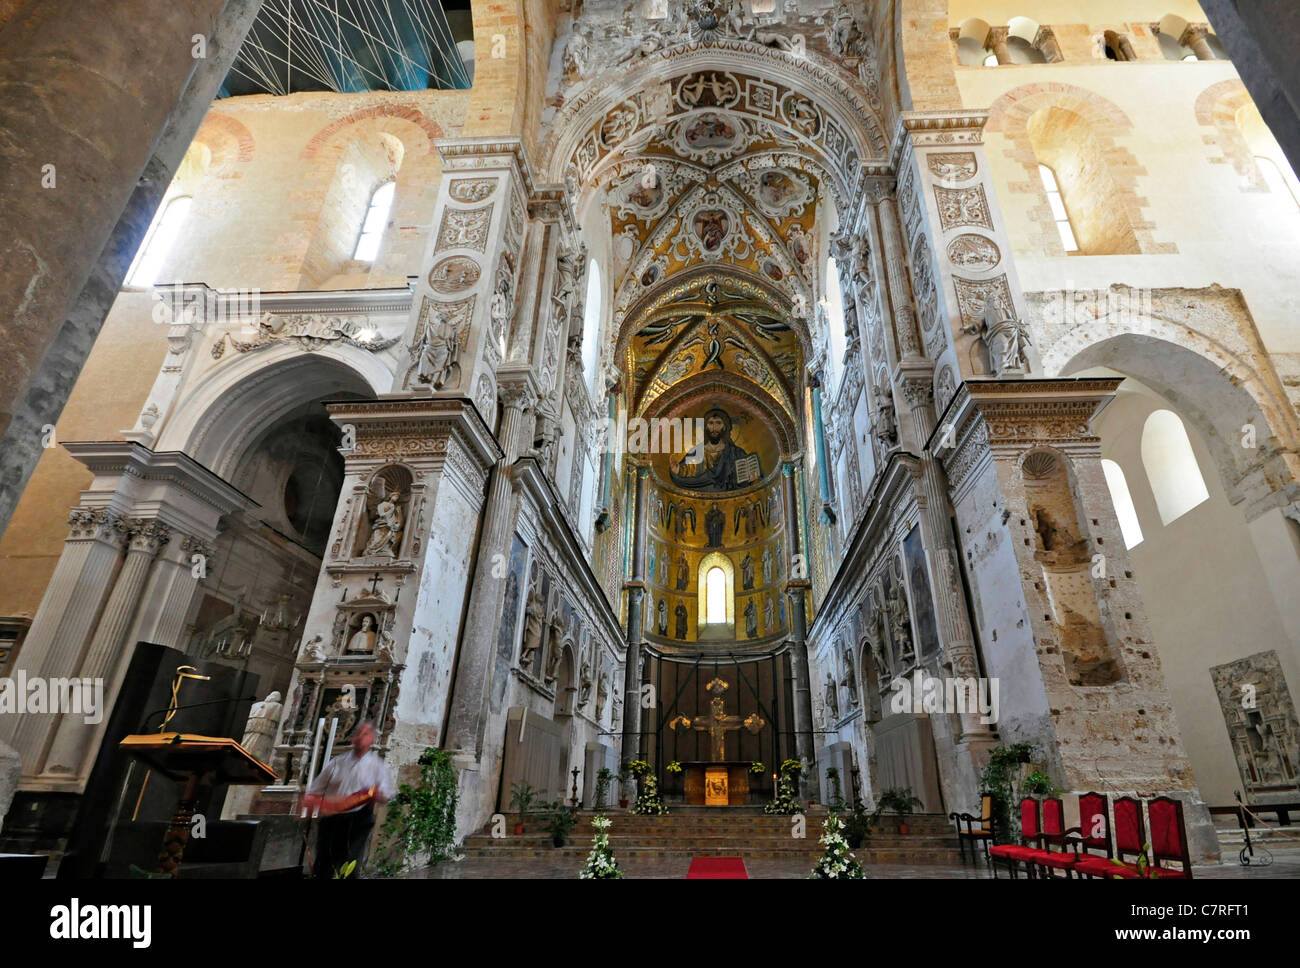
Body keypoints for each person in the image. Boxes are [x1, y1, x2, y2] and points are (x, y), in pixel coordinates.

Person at [305, 721, 395, 879]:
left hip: (359, 819)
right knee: (325, 860)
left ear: (372, 738)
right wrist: (312, 803)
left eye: (365, 734)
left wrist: (374, 794)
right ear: (353, 738)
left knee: (349, 862)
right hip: (333, 818)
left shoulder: (377, 766)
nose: (360, 737)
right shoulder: (336, 763)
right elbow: (315, 790)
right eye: (358, 733)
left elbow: (387, 794)